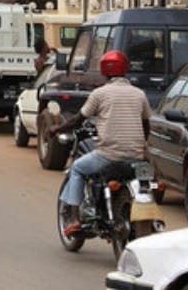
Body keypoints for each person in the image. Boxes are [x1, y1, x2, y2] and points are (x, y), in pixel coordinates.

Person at [47, 50, 150, 237]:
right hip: (136, 156)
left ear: (104, 70)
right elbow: (146, 126)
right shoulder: (139, 94)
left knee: (77, 168)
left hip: (109, 155)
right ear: (125, 68)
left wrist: (57, 129)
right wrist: (141, 148)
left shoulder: (99, 94)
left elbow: (78, 120)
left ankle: (74, 219)